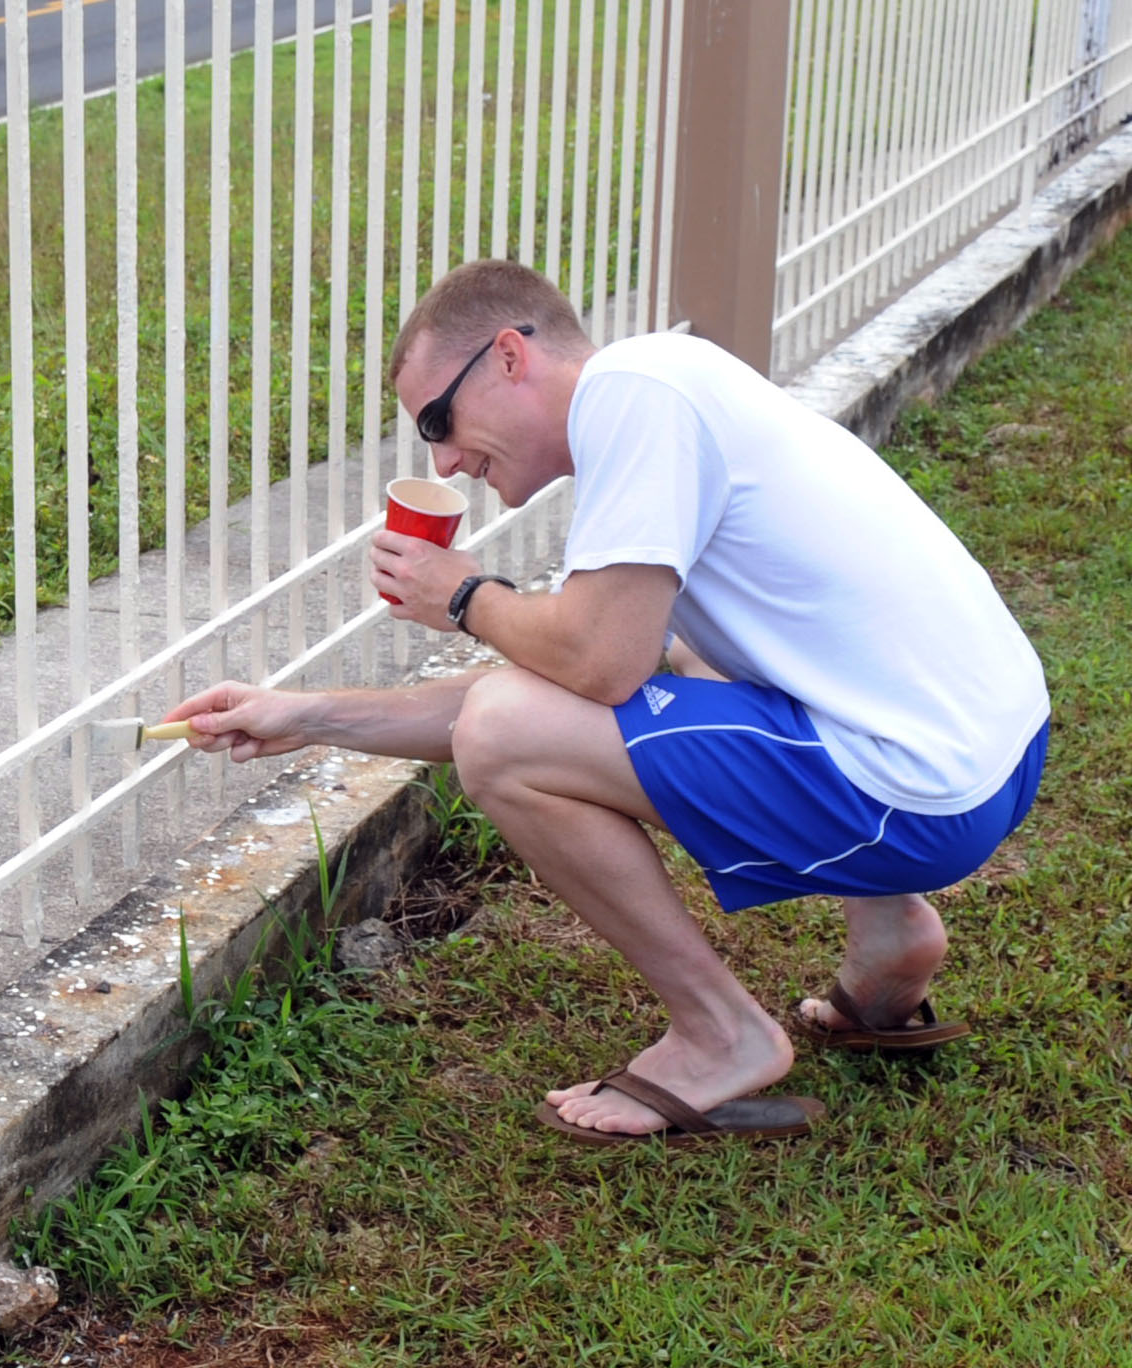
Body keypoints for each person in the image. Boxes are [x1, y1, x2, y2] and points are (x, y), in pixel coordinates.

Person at [166, 260, 1048, 1146]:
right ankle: (889, 931)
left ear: (510, 356)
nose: (443, 460)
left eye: (440, 420)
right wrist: (305, 713)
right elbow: (585, 692)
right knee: (599, 692)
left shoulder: (632, 403)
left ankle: (720, 1035)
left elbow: (593, 672)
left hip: (922, 793)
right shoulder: (667, 381)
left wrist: (467, 597)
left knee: (505, 735)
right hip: (993, 755)